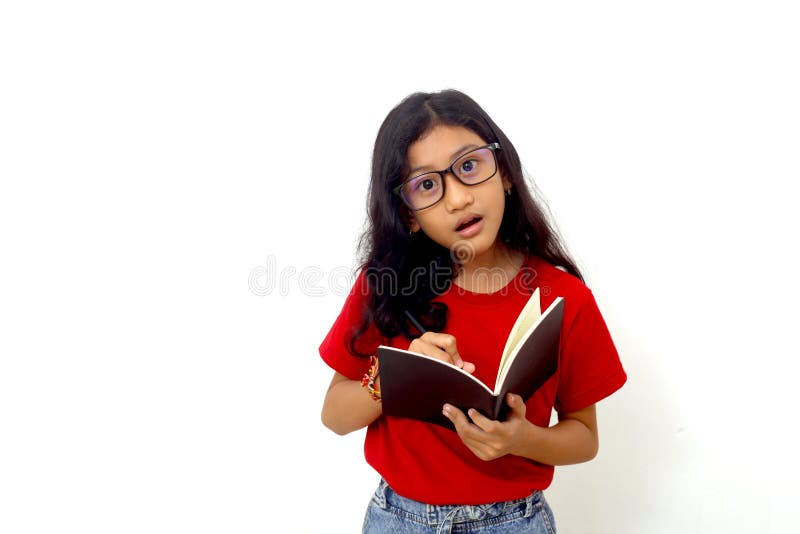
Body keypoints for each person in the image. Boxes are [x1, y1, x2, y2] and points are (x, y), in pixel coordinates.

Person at [319, 89, 627, 533]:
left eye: (469, 166)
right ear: (408, 215)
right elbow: (334, 416)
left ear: (503, 172)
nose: (458, 199)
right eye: (427, 184)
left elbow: (584, 437)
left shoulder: (564, 296)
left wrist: (522, 439)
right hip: (399, 519)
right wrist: (391, 380)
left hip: (514, 521)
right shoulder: (383, 285)